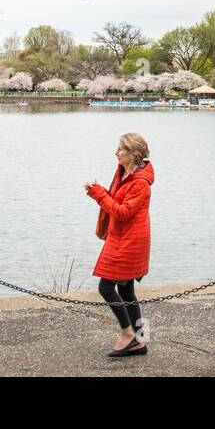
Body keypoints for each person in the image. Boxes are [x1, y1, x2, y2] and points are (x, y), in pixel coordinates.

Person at [84, 132, 155, 359]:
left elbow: (122, 212)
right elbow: (117, 201)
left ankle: (128, 334)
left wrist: (98, 195)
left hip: (131, 240)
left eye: (121, 150)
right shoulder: (123, 173)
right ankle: (140, 341)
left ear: (133, 155)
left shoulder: (141, 184)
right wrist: (101, 191)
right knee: (125, 289)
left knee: (106, 287)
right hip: (121, 237)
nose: (116, 153)